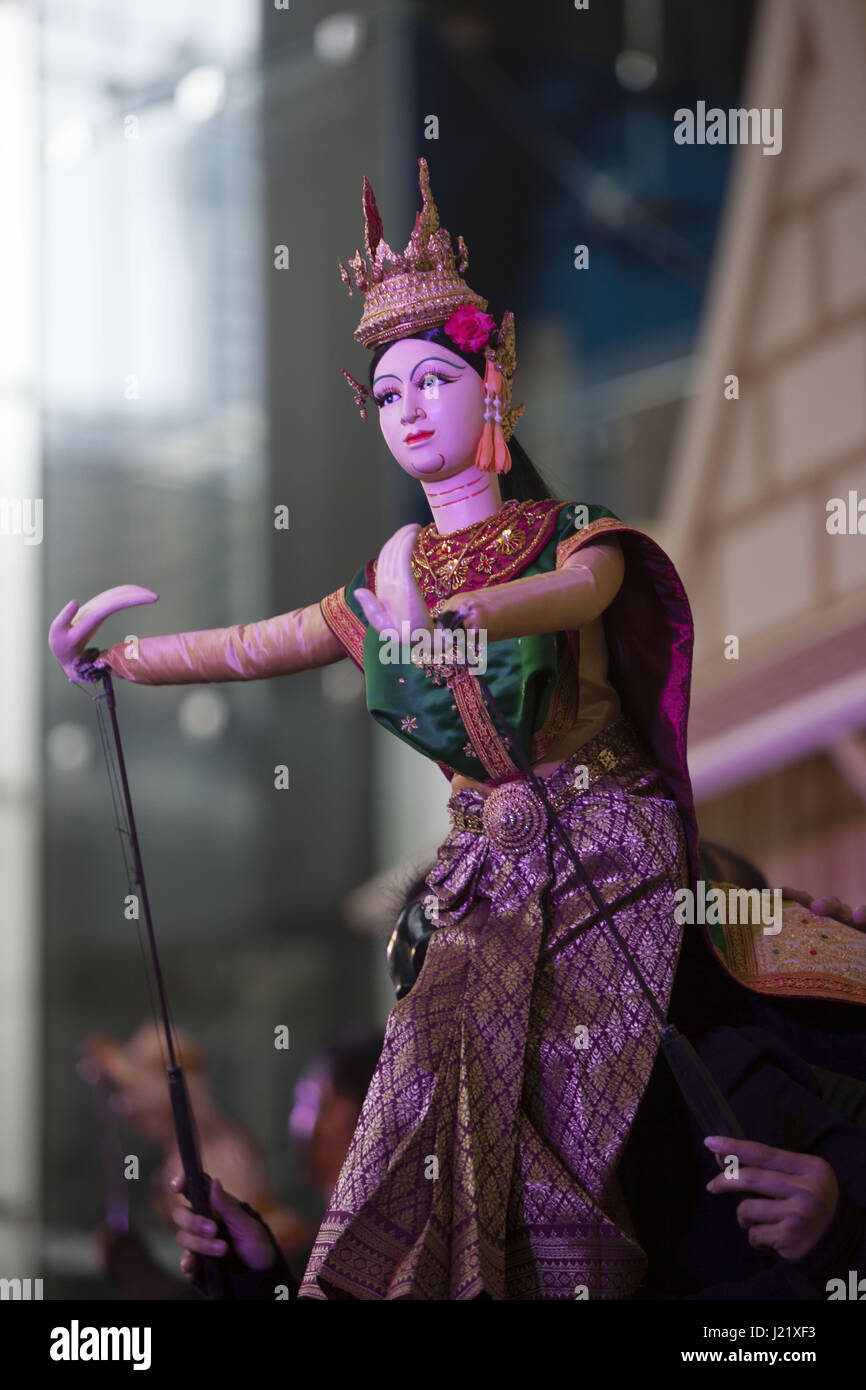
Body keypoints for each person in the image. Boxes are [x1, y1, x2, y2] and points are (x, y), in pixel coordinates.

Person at [49, 157, 865, 1300]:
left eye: (433, 378)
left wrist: (458, 617)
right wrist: (119, 659)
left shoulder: (567, 534)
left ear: (494, 383)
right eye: (385, 394)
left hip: (604, 857)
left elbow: (581, 596)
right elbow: (257, 641)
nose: (408, 409)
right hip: (485, 883)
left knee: (581, 1123)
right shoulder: (389, 580)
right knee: (417, 1124)